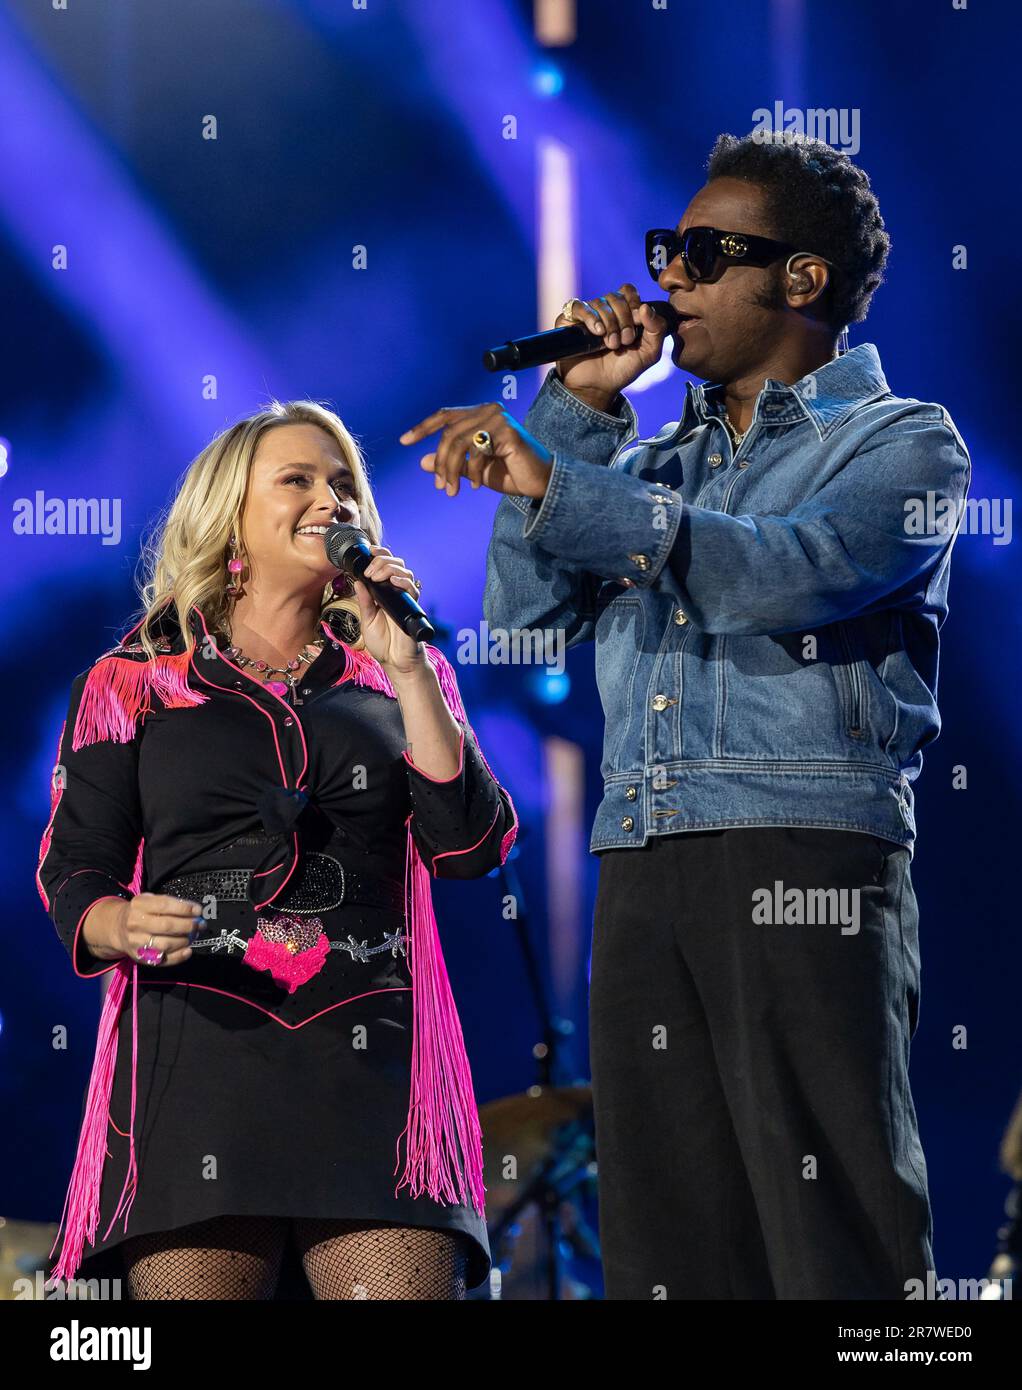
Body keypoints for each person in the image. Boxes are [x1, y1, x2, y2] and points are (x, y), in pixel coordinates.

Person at [399, 130, 971, 1299]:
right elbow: (526, 614)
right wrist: (572, 413)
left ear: (800, 278)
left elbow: (780, 572)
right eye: (666, 251)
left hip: (798, 847)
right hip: (644, 855)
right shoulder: (646, 462)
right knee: (664, 1233)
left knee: (832, 1222)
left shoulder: (904, 444)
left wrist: (568, 486)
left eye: (705, 254)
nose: (670, 280)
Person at [37, 400, 517, 1301]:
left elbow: (470, 848)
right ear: (231, 515)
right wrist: (118, 922)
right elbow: (77, 871)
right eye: (296, 480)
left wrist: (412, 673)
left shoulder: (396, 671)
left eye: (343, 484)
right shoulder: (134, 681)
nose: (329, 500)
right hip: (197, 1063)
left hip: (375, 1074)